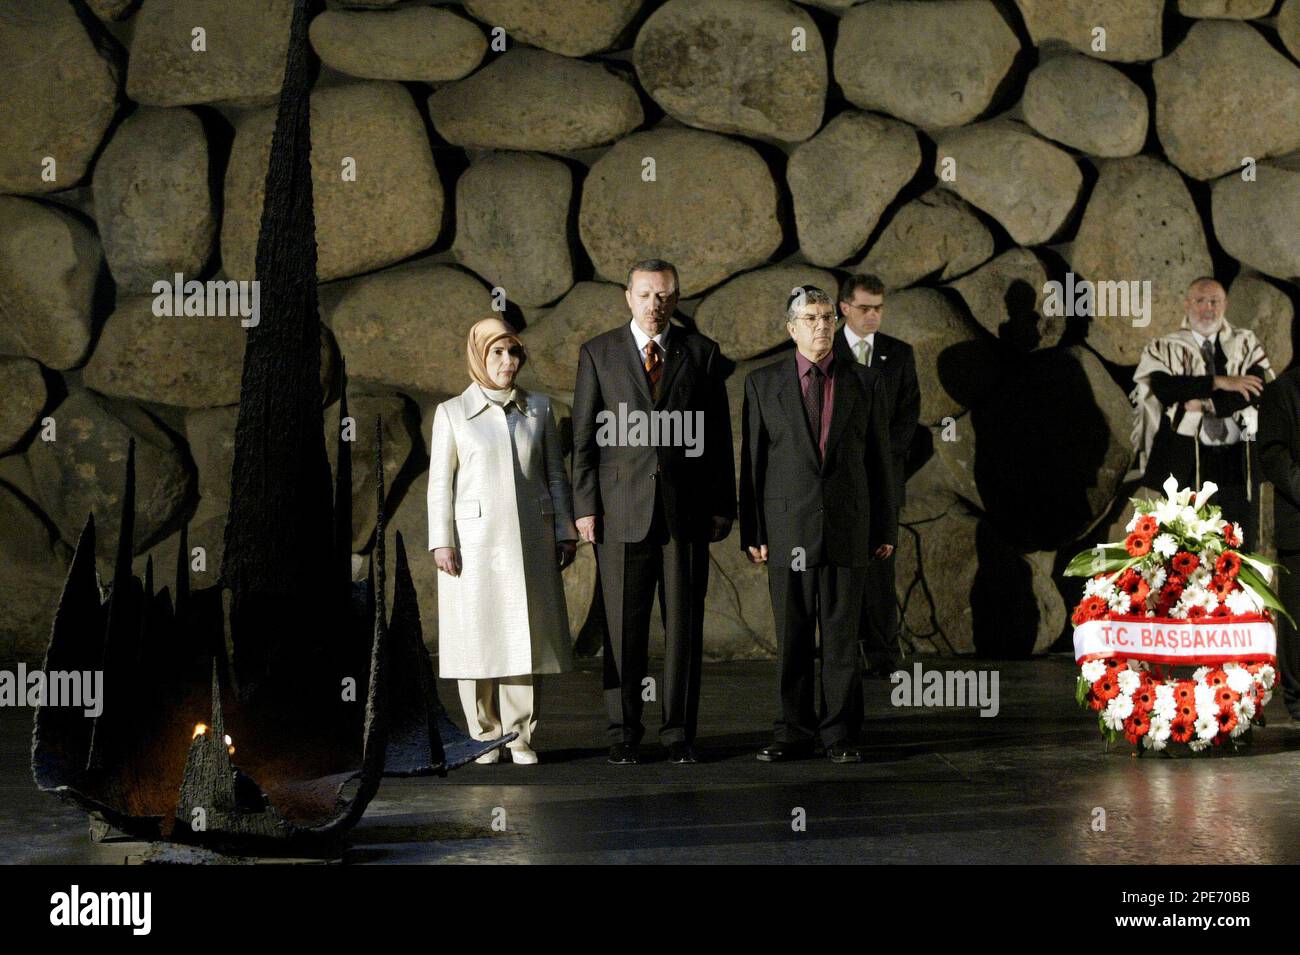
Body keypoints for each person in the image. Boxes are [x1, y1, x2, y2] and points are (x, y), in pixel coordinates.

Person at [571, 258, 735, 765]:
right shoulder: (598, 353)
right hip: (620, 511)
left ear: (676, 299)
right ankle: (623, 731)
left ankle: (678, 732)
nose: (654, 304)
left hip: (685, 514)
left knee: (684, 625)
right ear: (629, 297)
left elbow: (717, 440)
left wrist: (722, 505)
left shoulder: (702, 354)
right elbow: (583, 440)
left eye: (664, 295)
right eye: (645, 294)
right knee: (624, 627)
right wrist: (584, 507)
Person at [739, 286, 897, 763]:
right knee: (793, 636)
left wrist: (885, 529)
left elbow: (879, 461)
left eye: (827, 317)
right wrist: (753, 531)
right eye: (810, 318)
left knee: (843, 638)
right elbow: (752, 462)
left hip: (848, 529)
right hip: (787, 531)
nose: (822, 326)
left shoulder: (867, 383)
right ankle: (792, 732)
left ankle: (840, 735)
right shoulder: (763, 384)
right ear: (792, 328)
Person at [427, 318, 578, 765]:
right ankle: (483, 736)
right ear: (478, 355)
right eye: (496, 352)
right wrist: (442, 541)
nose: (507, 361)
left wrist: (564, 531)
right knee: (476, 635)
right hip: (473, 543)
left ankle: (519, 736)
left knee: (522, 633)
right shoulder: (452, 412)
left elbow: (555, 473)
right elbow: (440, 484)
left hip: (529, 537)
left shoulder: (541, 408)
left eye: (513, 353)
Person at [1130, 277, 1271, 549]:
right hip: (1187, 456)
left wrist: (1207, 403)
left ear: (1225, 305)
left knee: (1238, 537)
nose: (1208, 308)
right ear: (1187, 304)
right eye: (1200, 301)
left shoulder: (1245, 343)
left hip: (1237, 457)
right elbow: (1165, 388)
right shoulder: (1165, 347)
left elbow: (1255, 388)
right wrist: (1220, 382)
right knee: (1187, 538)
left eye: (1214, 301)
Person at [833, 274, 919, 678]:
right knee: (838, 566)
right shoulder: (824, 350)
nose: (873, 316)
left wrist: (881, 459)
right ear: (844, 308)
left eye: (879, 308)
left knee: (881, 567)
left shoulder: (898, 354)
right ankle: (840, 651)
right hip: (837, 480)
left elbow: (908, 415)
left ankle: (883, 653)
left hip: (882, 480)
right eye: (865, 308)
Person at [1256, 369, 1300, 724]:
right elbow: (1273, 457)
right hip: (1298, 525)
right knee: (1297, 619)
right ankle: (1298, 699)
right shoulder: (1282, 391)